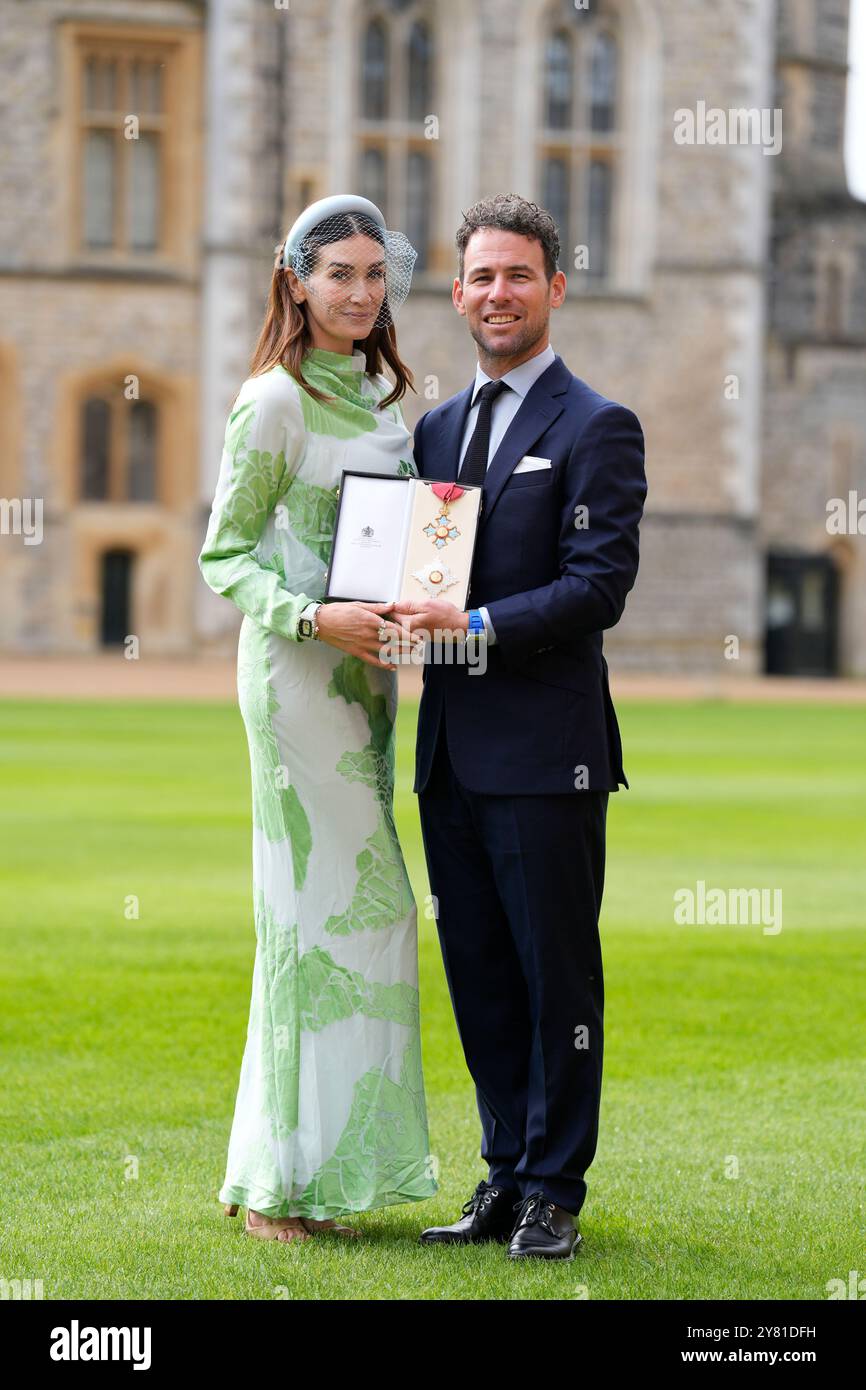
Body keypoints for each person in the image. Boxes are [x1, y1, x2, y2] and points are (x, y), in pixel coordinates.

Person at [389, 193, 647, 1260]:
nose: (497, 293)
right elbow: (413, 570)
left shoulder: (596, 426)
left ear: (554, 286)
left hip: (547, 754)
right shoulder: (437, 430)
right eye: (480, 277)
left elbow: (597, 587)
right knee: (481, 973)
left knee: (554, 977)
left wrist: (476, 621)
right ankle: (501, 1171)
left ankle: (554, 1187)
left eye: (517, 275)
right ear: (456, 294)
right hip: (450, 749)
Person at [198, 194, 438, 1243]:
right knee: (309, 920)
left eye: (374, 274)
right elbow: (224, 555)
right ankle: (274, 1189)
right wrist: (312, 615)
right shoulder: (272, 402)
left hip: (366, 682)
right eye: (337, 272)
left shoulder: (385, 403)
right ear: (295, 280)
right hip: (294, 679)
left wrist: (412, 602)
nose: (358, 291)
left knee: (365, 917)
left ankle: (312, 1169)